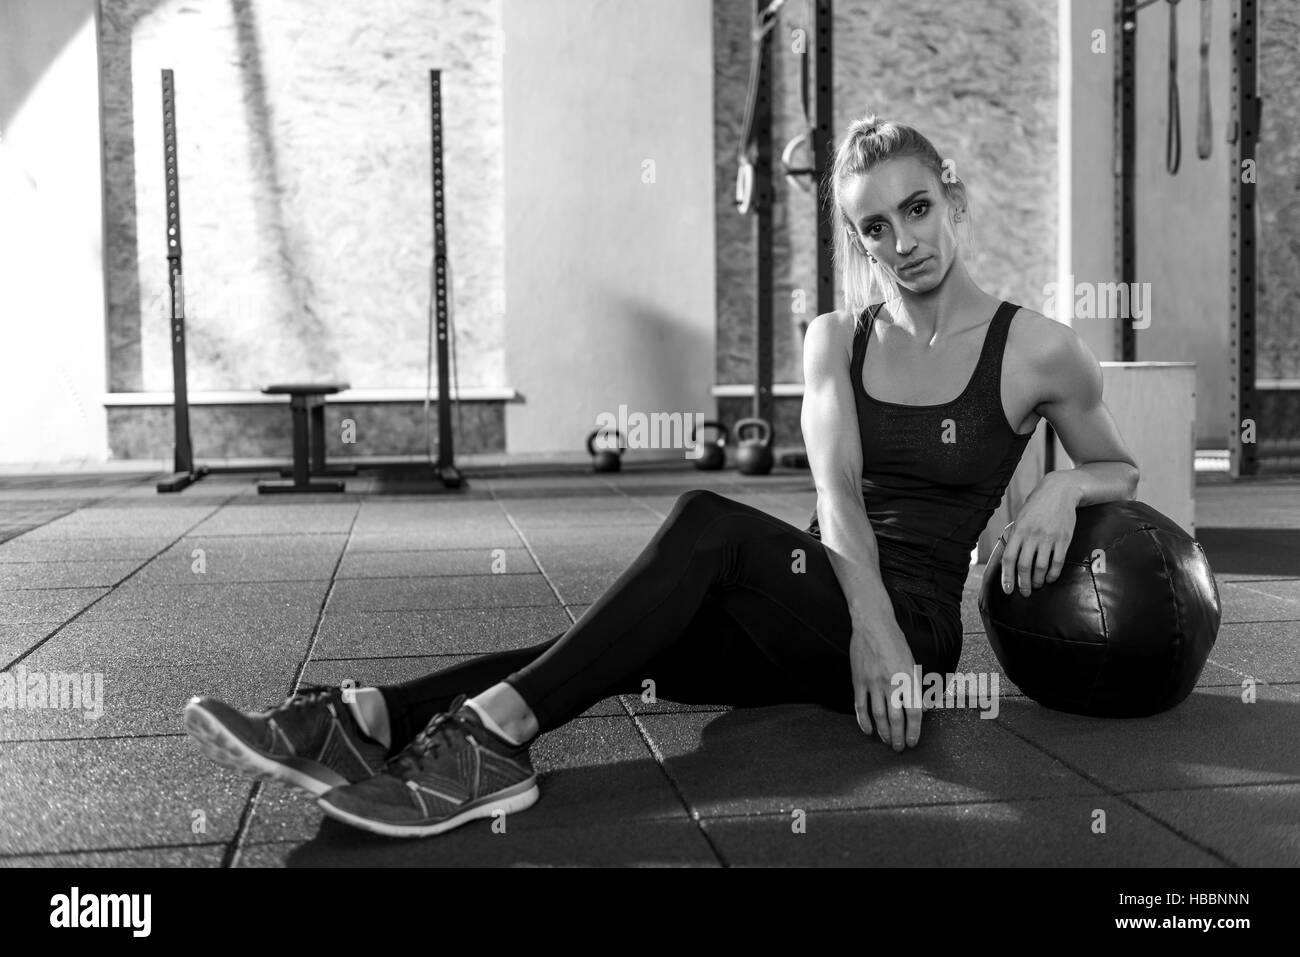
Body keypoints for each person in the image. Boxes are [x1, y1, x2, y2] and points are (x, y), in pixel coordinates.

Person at [183, 114, 1139, 839]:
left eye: (917, 208)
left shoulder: (1038, 351)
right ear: (860, 243)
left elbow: (1119, 464)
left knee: (705, 522)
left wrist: (1064, 487)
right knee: (618, 640)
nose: (904, 242)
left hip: (918, 628)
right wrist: (866, 627)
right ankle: (371, 717)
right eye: (876, 228)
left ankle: (491, 745)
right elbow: (838, 497)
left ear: (954, 198)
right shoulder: (835, 341)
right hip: (824, 599)